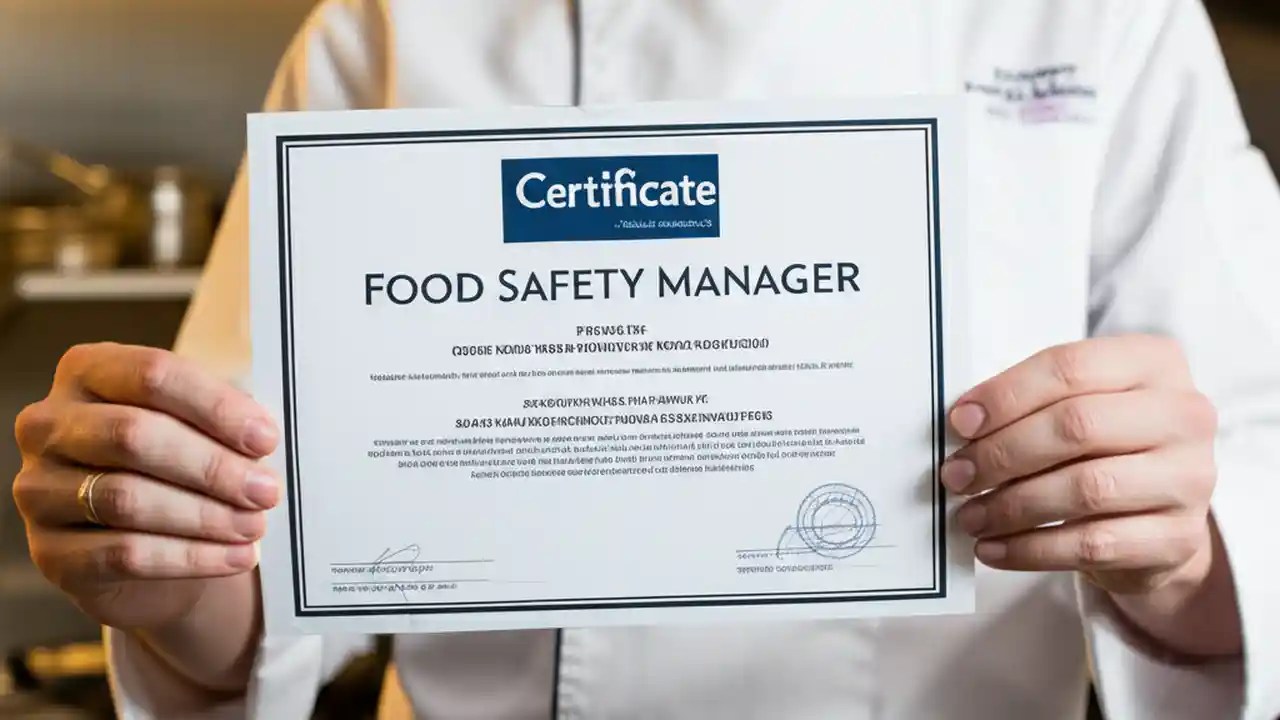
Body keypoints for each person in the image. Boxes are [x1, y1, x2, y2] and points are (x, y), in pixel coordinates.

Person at [12, 1, 1280, 718]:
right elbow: (261, 572)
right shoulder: (388, 28)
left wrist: (1177, 546)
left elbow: (1255, 496)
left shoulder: (1096, 19)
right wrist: (163, 555)